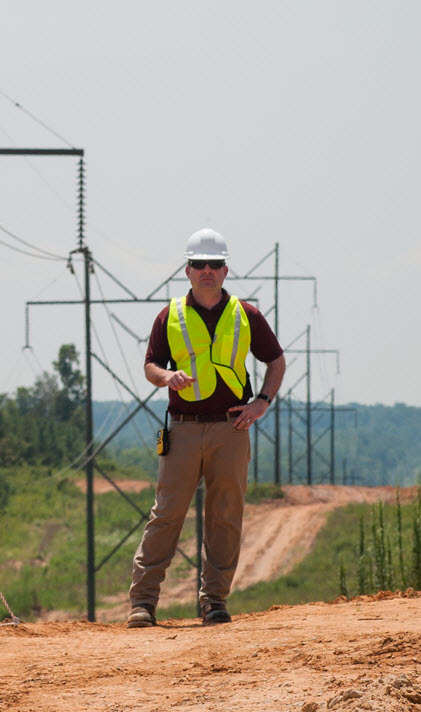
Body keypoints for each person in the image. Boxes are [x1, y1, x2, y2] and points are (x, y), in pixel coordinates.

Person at [127, 228, 286, 628]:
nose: (207, 271)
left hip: (231, 429)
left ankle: (214, 601)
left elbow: (276, 361)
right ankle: (142, 603)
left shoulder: (247, 315)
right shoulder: (169, 315)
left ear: (226, 270)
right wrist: (167, 377)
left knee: (225, 515)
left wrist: (262, 402)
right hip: (182, 429)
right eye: (199, 264)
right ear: (187, 270)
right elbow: (150, 365)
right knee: (166, 514)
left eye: (215, 264)